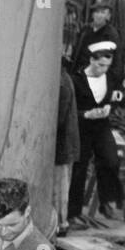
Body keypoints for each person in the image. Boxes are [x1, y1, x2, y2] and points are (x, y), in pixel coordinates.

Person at [67, 40, 125, 227]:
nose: (103, 69)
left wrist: (110, 106)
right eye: (100, 65)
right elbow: (69, 110)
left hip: (101, 126)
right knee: (79, 169)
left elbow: (119, 96)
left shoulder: (111, 78)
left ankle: (106, 202)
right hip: (82, 129)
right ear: (91, 60)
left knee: (110, 160)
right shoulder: (76, 80)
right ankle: (73, 212)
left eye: (107, 66)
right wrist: (86, 114)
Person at [71, 0, 122, 81]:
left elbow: (116, 62)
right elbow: (77, 53)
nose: (99, 15)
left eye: (102, 13)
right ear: (92, 15)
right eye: (97, 12)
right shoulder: (85, 30)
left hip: (98, 78)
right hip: (80, 75)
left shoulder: (111, 35)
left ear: (108, 16)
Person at [55, 68, 79, 236]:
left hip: (62, 143)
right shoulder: (64, 77)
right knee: (62, 185)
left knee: (60, 185)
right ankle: (60, 223)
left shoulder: (61, 82)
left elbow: (58, 118)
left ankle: (61, 224)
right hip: (65, 142)